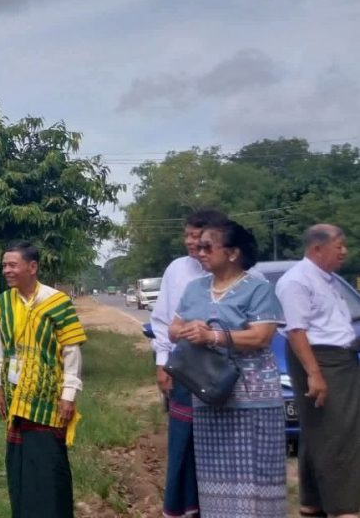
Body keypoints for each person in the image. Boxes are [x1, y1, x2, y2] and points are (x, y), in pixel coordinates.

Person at [169, 219, 285, 517]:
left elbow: (261, 336)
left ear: (232, 253)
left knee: (255, 483)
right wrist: (189, 329)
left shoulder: (258, 288)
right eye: (199, 246)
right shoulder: (194, 288)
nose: (200, 252)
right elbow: (172, 329)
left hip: (253, 401)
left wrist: (213, 336)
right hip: (210, 397)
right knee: (214, 483)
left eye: (207, 247)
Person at [0, 241, 86, 518]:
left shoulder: (57, 302)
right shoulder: (3, 303)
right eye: (4, 265)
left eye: (12, 265)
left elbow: (71, 350)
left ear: (32, 267)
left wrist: (68, 395)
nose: (6, 270)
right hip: (14, 394)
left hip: (48, 397)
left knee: (48, 464)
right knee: (19, 466)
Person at [276, 224, 358, 518]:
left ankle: (313, 505)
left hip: (340, 360)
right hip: (321, 361)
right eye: (339, 246)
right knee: (339, 436)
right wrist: (315, 374)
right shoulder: (296, 281)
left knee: (318, 435)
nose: (344, 251)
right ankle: (345, 507)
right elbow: (296, 331)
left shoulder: (329, 279)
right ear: (317, 248)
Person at [149, 208, 227, 518]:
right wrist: (162, 362)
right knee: (185, 442)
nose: (192, 243)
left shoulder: (240, 275)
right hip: (186, 370)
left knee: (221, 447)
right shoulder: (178, 270)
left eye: (198, 237)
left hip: (226, 374)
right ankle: (186, 509)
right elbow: (163, 320)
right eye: (188, 236)